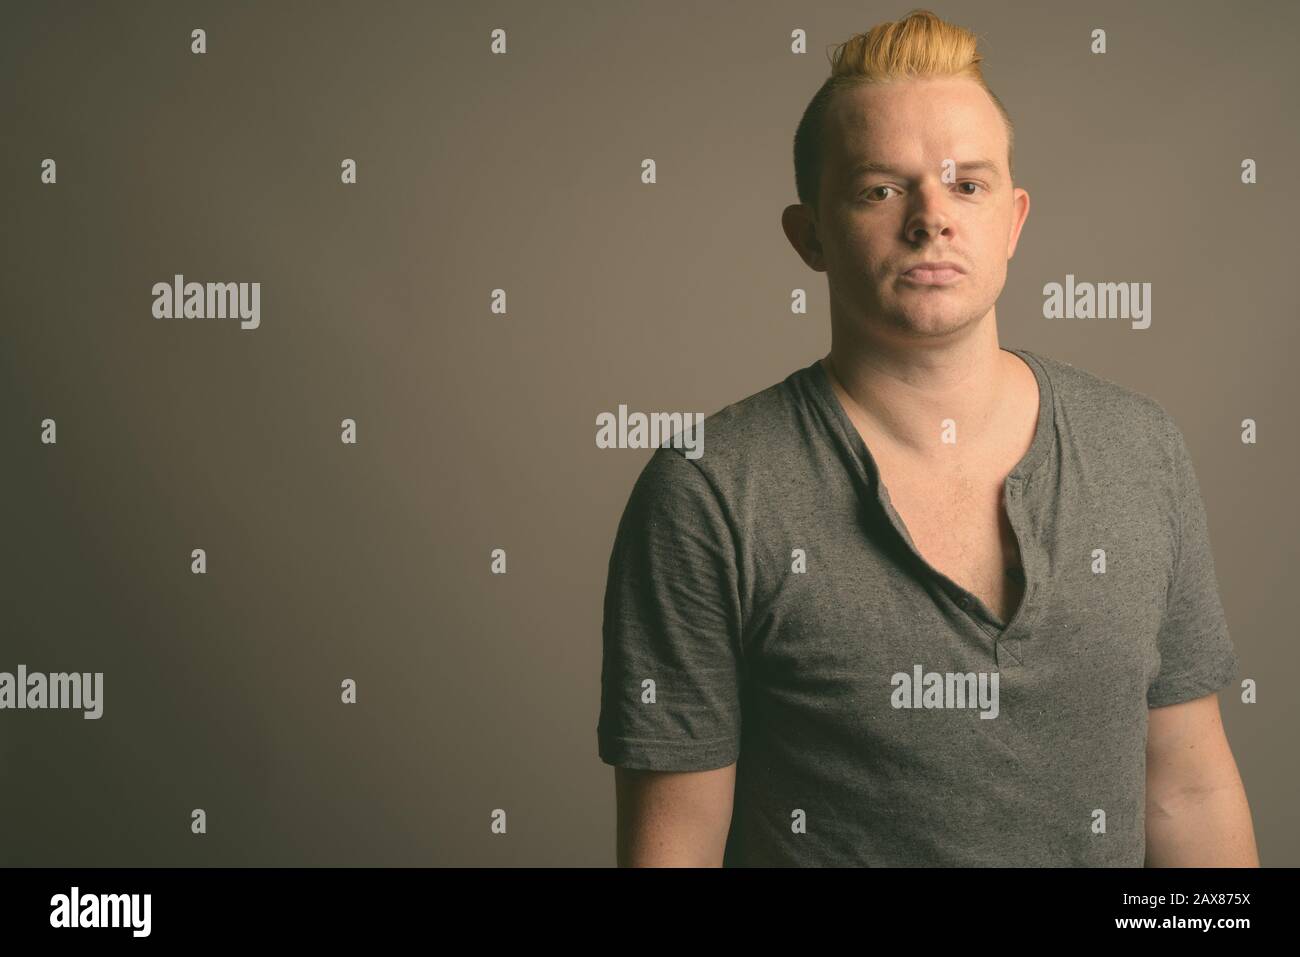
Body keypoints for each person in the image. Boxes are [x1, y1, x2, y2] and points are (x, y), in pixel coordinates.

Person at [597, 8, 1259, 867]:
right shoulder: (709, 491)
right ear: (811, 236)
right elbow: (673, 848)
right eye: (881, 188)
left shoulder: (1141, 450)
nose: (931, 218)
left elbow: (1189, 789)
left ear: (1013, 221)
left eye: (968, 185)